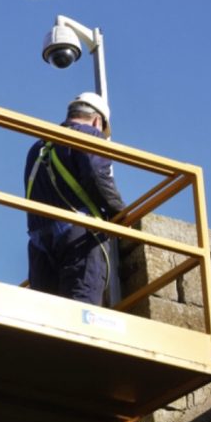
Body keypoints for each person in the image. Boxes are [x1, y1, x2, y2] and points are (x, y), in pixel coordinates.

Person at [24, 92, 125, 306]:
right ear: (97, 121)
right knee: (81, 312)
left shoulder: (38, 147)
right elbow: (97, 176)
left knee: (47, 317)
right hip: (78, 239)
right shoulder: (89, 134)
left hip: (40, 246)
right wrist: (120, 213)